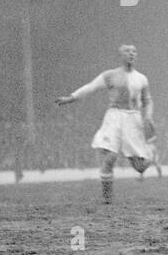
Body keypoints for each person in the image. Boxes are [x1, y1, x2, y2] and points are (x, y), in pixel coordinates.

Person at [55, 43, 155, 204]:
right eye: (127, 51)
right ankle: (107, 198)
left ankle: (150, 154)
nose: (131, 54)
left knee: (140, 167)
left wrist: (148, 116)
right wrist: (71, 97)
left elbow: (148, 101)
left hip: (133, 118)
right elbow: (91, 87)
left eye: (134, 51)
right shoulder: (110, 75)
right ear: (121, 55)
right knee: (110, 156)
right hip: (114, 117)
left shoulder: (142, 78)